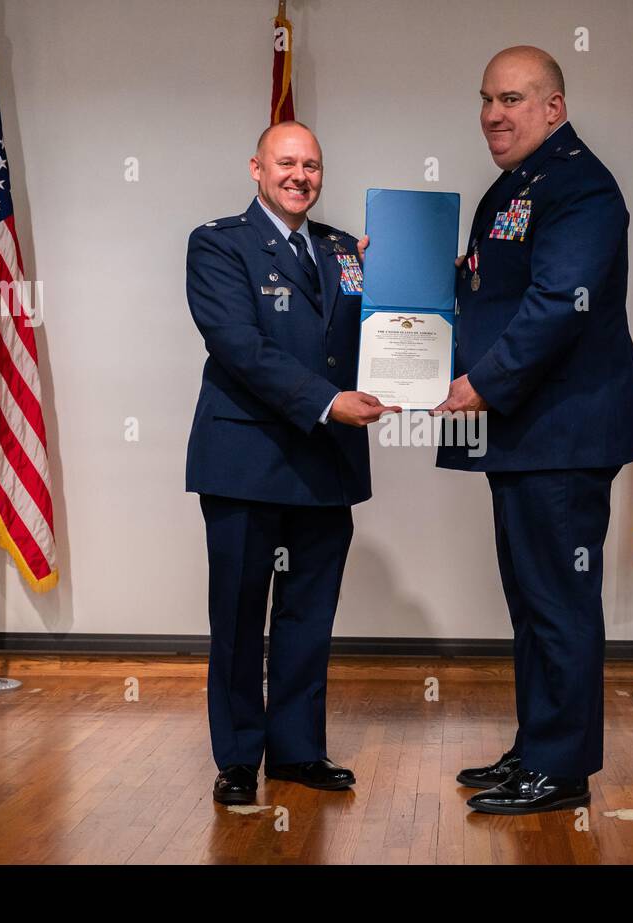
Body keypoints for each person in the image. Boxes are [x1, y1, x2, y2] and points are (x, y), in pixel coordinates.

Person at [434, 48, 633, 814]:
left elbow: (561, 303)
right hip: (525, 432)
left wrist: (482, 384)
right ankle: (537, 747)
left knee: (560, 600)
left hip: (562, 430)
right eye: (487, 99)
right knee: (533, 599)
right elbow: (486, 292)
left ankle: (561, 772)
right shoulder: (513, 187)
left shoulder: (581, 188)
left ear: (553, 108)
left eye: (513, 99)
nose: (494, 114)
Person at [185, 121, 398, 805]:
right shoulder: (217, 243)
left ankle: (299, 751)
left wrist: (418, 283)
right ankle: (240, 757)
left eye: (311, 165)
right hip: (246, 460)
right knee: (241, 615)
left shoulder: (343, 251)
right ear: (256, 168)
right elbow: (239, 346)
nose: (299, 175)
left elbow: (380, 328)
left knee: (309, 614)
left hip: (324, 464)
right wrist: (329, 401)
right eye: (286, 163)